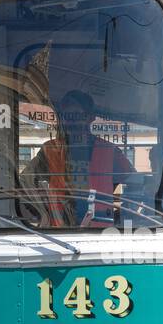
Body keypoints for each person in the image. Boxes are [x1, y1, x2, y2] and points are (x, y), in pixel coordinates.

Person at [22, 89, 138, 226]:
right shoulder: (50, 150)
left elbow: (135, 184)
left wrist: (121, 216)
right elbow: (25, 183)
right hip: (59, 231)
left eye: (78, 116)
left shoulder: (108, 151)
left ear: (90, 117)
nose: (73, 122)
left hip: (99, 231)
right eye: (68, 116)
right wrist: (42, 213)